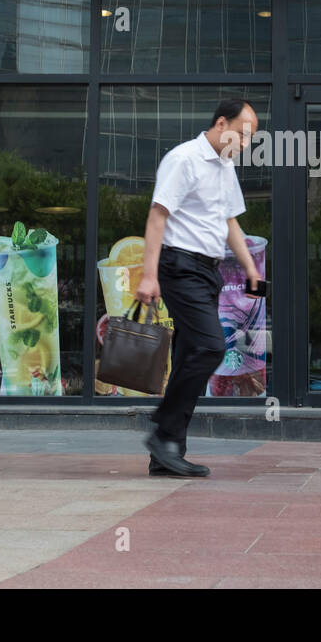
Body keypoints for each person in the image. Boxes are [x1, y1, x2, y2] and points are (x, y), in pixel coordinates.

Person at [135, 99, 264, 477]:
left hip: (208, 271)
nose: (244, 142)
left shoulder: (226, 167)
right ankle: (162, 431)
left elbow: (230, 225)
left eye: (250, 138)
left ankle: (167, 451)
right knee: (210, 346)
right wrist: (148, 274)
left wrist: (251, 270)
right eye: (241, 134)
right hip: (180, 266)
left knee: (192, 354)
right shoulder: (184, 159)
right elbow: (158, 216)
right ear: (221, 123)